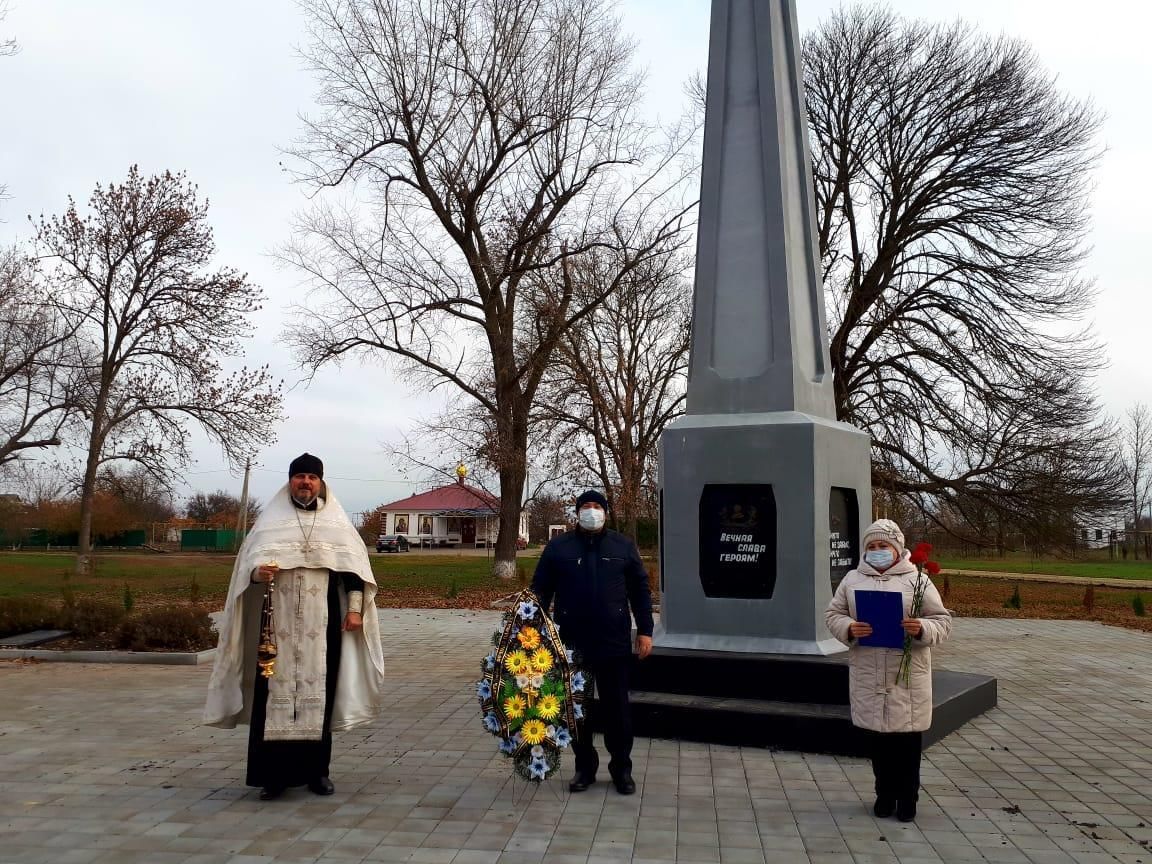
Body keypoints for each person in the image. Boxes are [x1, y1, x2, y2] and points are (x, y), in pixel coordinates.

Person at [205, 453, 385, 800]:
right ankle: (272, 778)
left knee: (321, 694)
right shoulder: (270, 523)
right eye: (300, 476)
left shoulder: (336, 523)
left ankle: (318, 773)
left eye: (312, 477)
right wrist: (258, 574)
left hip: (324, 623)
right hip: (276, 626)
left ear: (321, 482)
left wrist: (356, 611)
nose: (306, 482)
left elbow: (353, 573)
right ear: (290, 481)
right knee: (272, 697)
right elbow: (247, 571)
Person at [824, 519, 951, 822]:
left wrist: (921, 628)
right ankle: (884, 794)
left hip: (906, 676)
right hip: (869, 672)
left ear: (897, 549)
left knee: (906, 744)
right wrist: (849, 628)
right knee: (878, 745)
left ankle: (908, 798)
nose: (877, 551)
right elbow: (833, 614)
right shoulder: (853, 579)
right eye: (872, 546)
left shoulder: (917, 580)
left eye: (884, 546)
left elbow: (942, 620)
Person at [531, 489, 654, 795]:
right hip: (572, 643)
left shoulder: (622, 546)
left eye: (596, 506)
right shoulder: (559, 548)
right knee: (577, 710)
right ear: (577, 512)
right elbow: (540, 591)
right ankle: (584, 767)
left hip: (613, 643)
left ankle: (621, 769)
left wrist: (645, 630)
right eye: (585, 506)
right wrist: (532, 633)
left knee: (618, 712)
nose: (591, 510)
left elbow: (640, 591)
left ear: (605, 511)